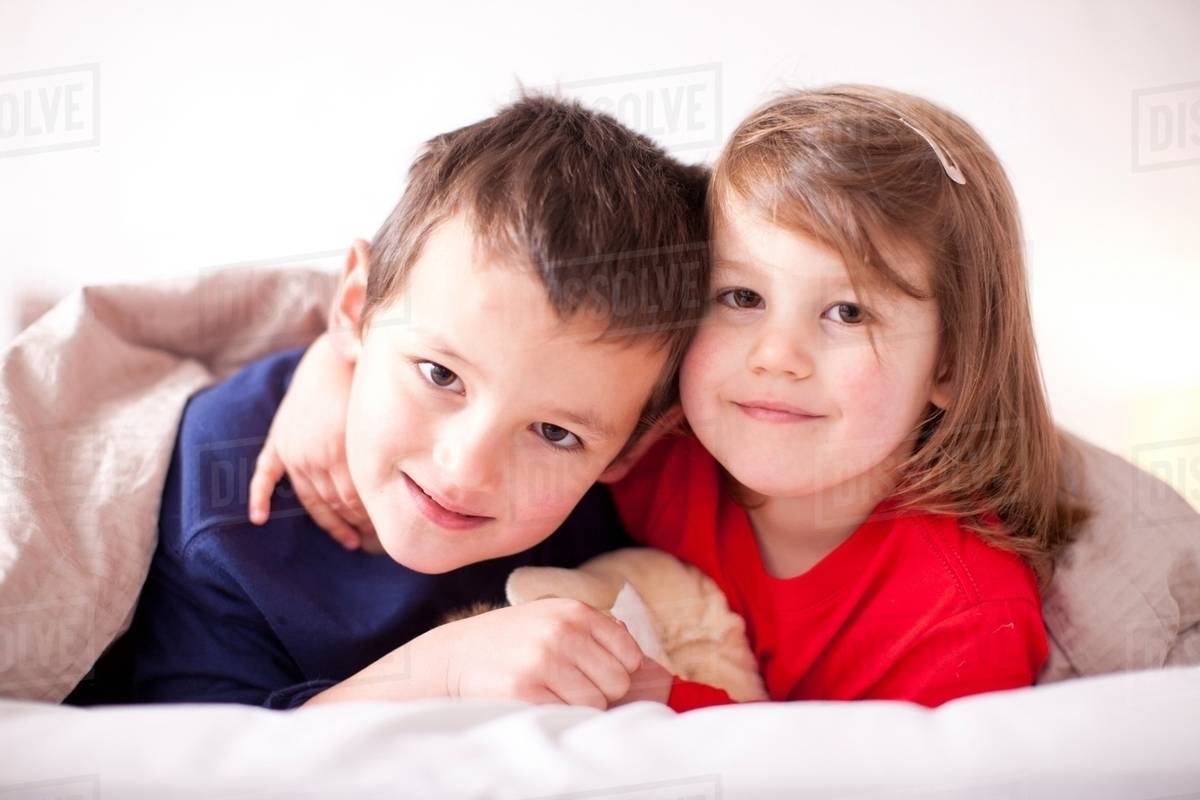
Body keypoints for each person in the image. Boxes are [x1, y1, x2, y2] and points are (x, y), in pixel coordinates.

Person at [252, 85, 1091, 712]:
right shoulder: (658, 445)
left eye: (847, 311)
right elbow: (484, 328)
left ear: (952, 360)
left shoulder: (959, 618)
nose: (777, 358)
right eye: (741, 297)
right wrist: (327, 373)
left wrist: (659, 701)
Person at [81, 94, 710, 710]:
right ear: (354, 306)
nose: (467, 469)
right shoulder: (229, 490)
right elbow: (205, 760)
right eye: (440, 374)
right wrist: (446, 668)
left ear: (632, 449)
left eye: (552, 433)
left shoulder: (620, 504)